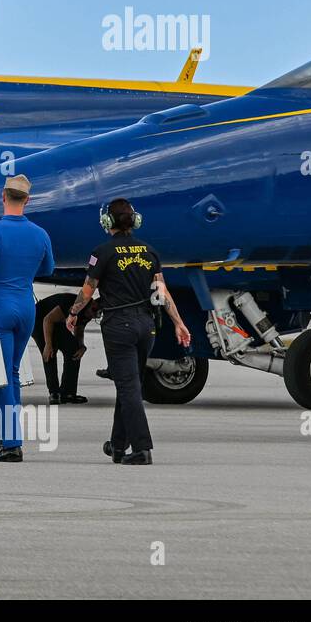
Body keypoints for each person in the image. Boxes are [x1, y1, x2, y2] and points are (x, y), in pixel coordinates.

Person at [66, 198, 192, 466]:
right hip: (147, 326)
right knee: (129, 384)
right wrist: (179, 323)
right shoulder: (150, 252)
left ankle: (142, 448)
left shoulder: (101, 252)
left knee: (129, 387)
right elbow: (162, 293)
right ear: (134, 220)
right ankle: (118, 445)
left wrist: (74, 313)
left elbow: (88, 291)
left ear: (107, 222)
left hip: (118, 326)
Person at [0, 175, 55, 462]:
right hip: (25, 306)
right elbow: (49, 266)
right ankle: (11, 437)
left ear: (2, 197)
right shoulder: (41, 234)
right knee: (14, 372)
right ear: (28, 200)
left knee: (1, 376)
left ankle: (10, 443)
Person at [33, 293, 99, 404]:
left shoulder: (90, 312)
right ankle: (54, 393)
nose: (93, 315)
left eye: (98, 313)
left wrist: (81, 346)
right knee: (50, 352)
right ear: (90, 302)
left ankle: (68, 393)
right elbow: (47, 320)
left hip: (56, 322)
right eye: (94, 310)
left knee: (74, 350)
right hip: (39, 320)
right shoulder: (75, 304)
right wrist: (48, 345)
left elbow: (79, 328)